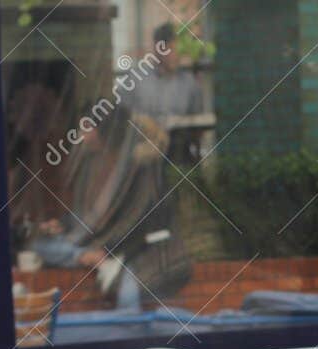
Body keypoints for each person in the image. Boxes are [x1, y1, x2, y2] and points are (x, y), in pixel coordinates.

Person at [29, 104, 191, 309]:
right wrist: (62, 224)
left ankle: (102, 262)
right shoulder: (92, 165)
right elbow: (91, 215)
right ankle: (88, 258)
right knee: (40, 245)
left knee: (128, 298)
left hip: (138, 248)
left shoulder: (139, 168)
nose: (80, 135)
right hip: (102, 245)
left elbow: (141, 220)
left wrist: (107, 249)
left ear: (104, 131)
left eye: (86, 128)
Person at [126, 23, 206, 165]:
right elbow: (123, 117)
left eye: (178, 49)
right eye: (171, 49)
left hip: (179, 153)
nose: (177, 55)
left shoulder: (190, 84)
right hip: (144, 154)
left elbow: (198, 129)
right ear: (158, 49)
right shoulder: (136, 80)